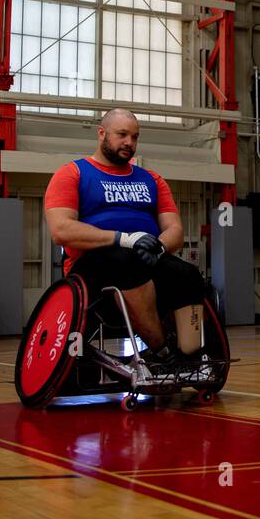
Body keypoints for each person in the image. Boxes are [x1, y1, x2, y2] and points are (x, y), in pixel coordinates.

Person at [44, 108, 209, 368]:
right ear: (101, 133)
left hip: (145, 258)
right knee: (125, 261)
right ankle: (162, 353)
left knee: (187, 273)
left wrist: (160, 246)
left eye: (134, 137)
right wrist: (125, 239)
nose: (129, 143)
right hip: (93, 266)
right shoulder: (73, 173)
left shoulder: (152, 180)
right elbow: (61, 230)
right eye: (122, 134)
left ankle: (191, 356)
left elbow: (175, 229)